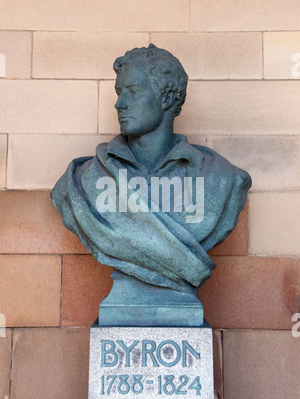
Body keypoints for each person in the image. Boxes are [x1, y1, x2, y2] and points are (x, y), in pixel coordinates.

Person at [51, 44, 251, 295]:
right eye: (118, 92)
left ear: (166, 99)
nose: (119, 104)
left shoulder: (222, 178)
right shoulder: (82, 181)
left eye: (133, 92)